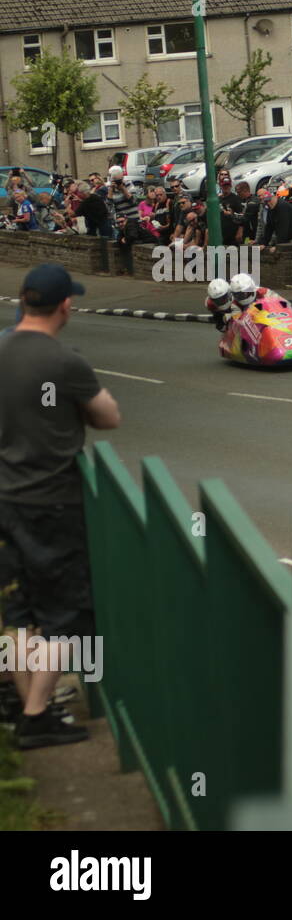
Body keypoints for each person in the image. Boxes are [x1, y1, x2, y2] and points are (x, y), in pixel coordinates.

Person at [0, 264, 121, 749]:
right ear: (65, 306)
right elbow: (109, 417)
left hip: (4, 497)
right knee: (65, 613)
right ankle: (36, 717)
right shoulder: (64, 362)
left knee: (18, 608)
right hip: (50, 502)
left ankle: (22, 700)